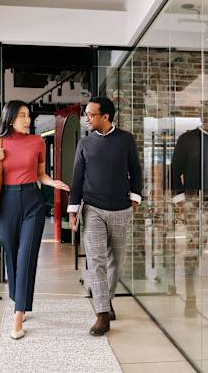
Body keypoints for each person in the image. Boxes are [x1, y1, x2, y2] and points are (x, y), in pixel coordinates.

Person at [0, 100, 70, 340]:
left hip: (32, 200)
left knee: (27, 256)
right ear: (10, 117)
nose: (27, 120)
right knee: (11, 254)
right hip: (6, 202)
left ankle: (18, 313)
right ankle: (18, 297)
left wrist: (54, 182)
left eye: (28, 115)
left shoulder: (38, 142)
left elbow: (41, 174)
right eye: (22, 115)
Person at [68, 97, 142, 336]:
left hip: (121, 209)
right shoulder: (85, 144)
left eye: (90, 114)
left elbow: (136, 170)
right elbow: (77, 178)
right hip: (93, 209)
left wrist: (135, 198)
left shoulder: (126, 140)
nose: (86, 118)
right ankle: (101, 314)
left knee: (115, 261)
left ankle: (107, 300)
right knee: (97, 261)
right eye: (86, 114)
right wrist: (73, 210)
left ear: (105, 117)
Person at [171, 100, 208, 328]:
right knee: (193, 251)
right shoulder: (187, 139)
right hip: (194, 201)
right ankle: (191, 300)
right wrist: (180, 202)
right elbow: (175, 172)